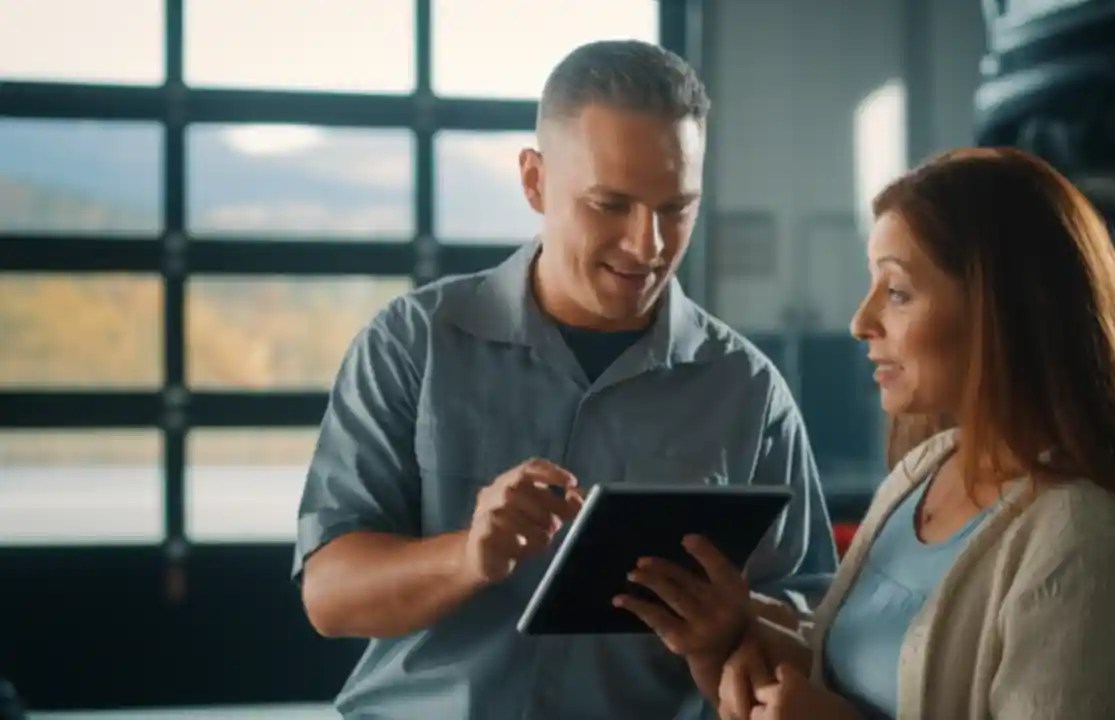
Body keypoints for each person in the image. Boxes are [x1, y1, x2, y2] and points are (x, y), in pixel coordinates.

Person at [291, 40, 837, 720]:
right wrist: (467, 558)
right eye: (612, 204)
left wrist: (737, 624)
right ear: (534, 181)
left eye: (676, 207)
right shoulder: (410, 345)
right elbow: (330, 596)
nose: (649, 246)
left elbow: (816, 626)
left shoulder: (749, 393)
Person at [633, 147, 1115, 720]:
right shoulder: (925, 470)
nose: (861, 322)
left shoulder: (1085, 537)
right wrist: (726, 643)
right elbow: (854, 677)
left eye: (898, 292)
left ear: (998, 310)